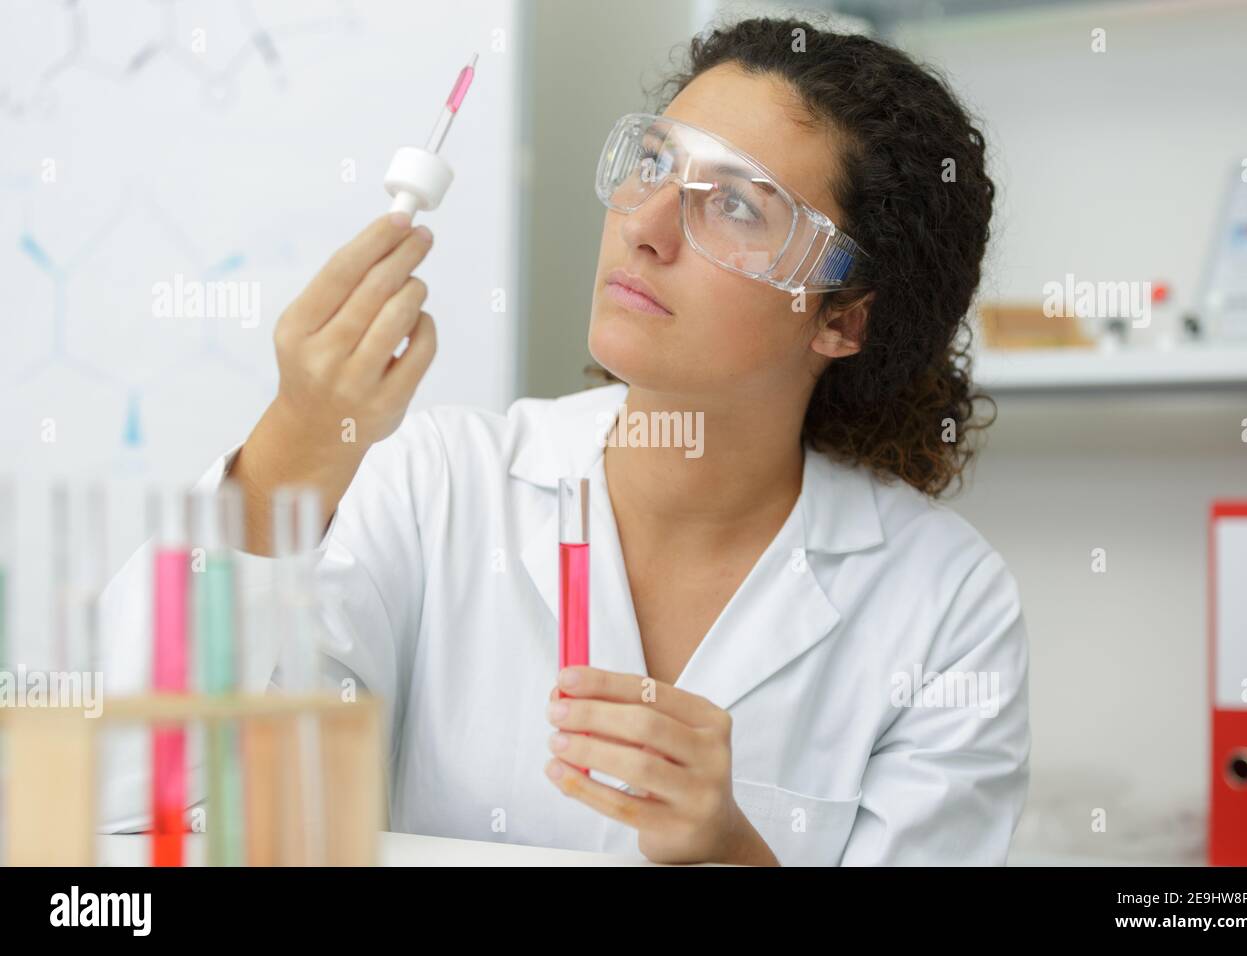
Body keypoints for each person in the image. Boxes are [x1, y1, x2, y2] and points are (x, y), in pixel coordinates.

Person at [100, 16, 1029, 866]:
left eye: (737, 206)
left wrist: (736, 852)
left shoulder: (945, 606)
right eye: (656, 165)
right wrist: (293, 444)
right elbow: (136, 813)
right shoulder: (440, 491)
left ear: (842, 319)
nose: (647, 227)